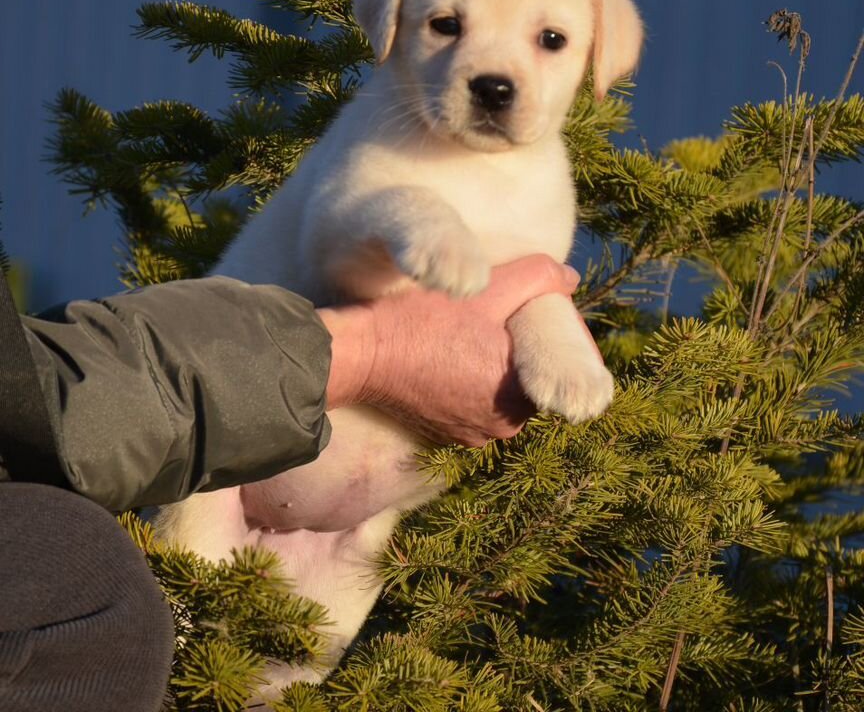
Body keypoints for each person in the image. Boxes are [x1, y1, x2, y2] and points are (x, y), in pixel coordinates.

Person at [0, 255, 584, 711]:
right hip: (229, 481)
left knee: (273, 682)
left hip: (345, 526)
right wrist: (373, 350)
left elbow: (31, 391)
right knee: (77, 561)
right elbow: (32, 401)